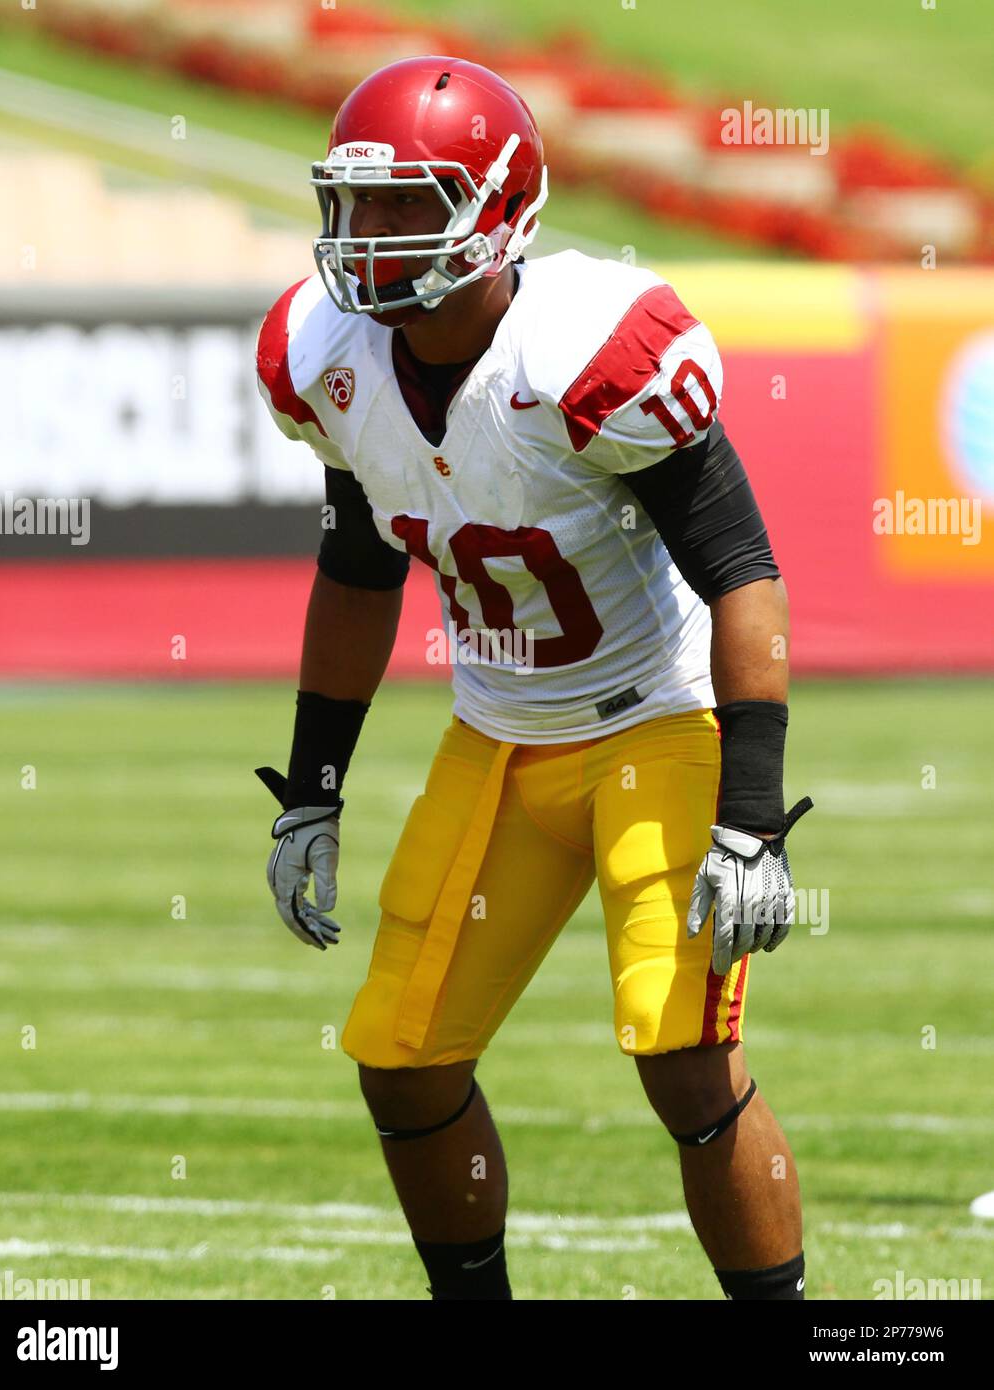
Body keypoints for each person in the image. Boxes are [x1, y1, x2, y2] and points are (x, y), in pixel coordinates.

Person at [254, 54, 812, 1301]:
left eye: (408, 205)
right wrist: (312, 787)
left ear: (496, 211)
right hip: (496, 732)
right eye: (357, 204)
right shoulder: (328, 353)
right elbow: (356, 572)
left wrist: (753, 819)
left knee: (682, 1059)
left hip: (658, 724)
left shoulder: (586, 348)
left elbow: (743, 574)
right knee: (401, 1060)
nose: (370, 237)